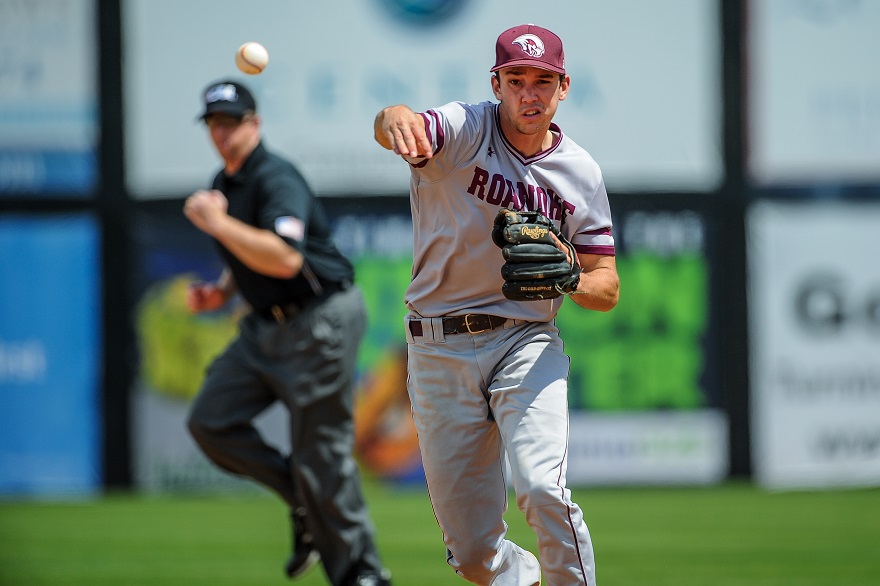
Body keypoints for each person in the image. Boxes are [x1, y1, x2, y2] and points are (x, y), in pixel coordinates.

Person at [373, 24, 619, 586]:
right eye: (516, 80)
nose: (529, 94)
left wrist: (571, 277)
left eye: (542, 81)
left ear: (564, 87)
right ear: (496, 84)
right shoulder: (465, 130)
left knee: (542, 489)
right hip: (438, 349)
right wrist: (394, 117)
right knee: (473, 556)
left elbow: (607, 287)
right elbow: (398, 124)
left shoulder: (579, 172)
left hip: (524, 340)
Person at [184, 79, 391, 586]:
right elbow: (248, 255)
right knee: (210, 421)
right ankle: (302, 500)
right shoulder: (225, 181)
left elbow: (285, 258)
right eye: (214, 123)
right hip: (264, 328)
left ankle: (363, 576)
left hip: (319, 320)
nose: (222, 132)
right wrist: (222, 291)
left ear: (255, 124)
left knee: (322, 456)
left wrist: (217, 224)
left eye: (231, 121)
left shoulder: (276, 177)